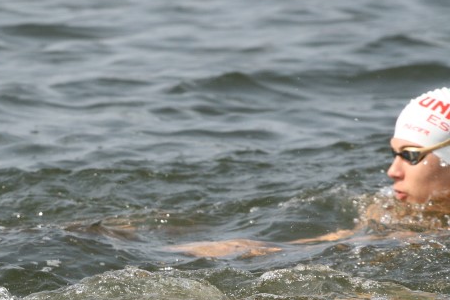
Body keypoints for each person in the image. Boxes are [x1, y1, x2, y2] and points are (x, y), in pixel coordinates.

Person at [174, 87, 450, 258]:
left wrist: (263, 250)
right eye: (394, 153)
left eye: (411, 155)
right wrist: (252, 247)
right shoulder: (390, 210)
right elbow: (344, 241)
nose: (392, 171)